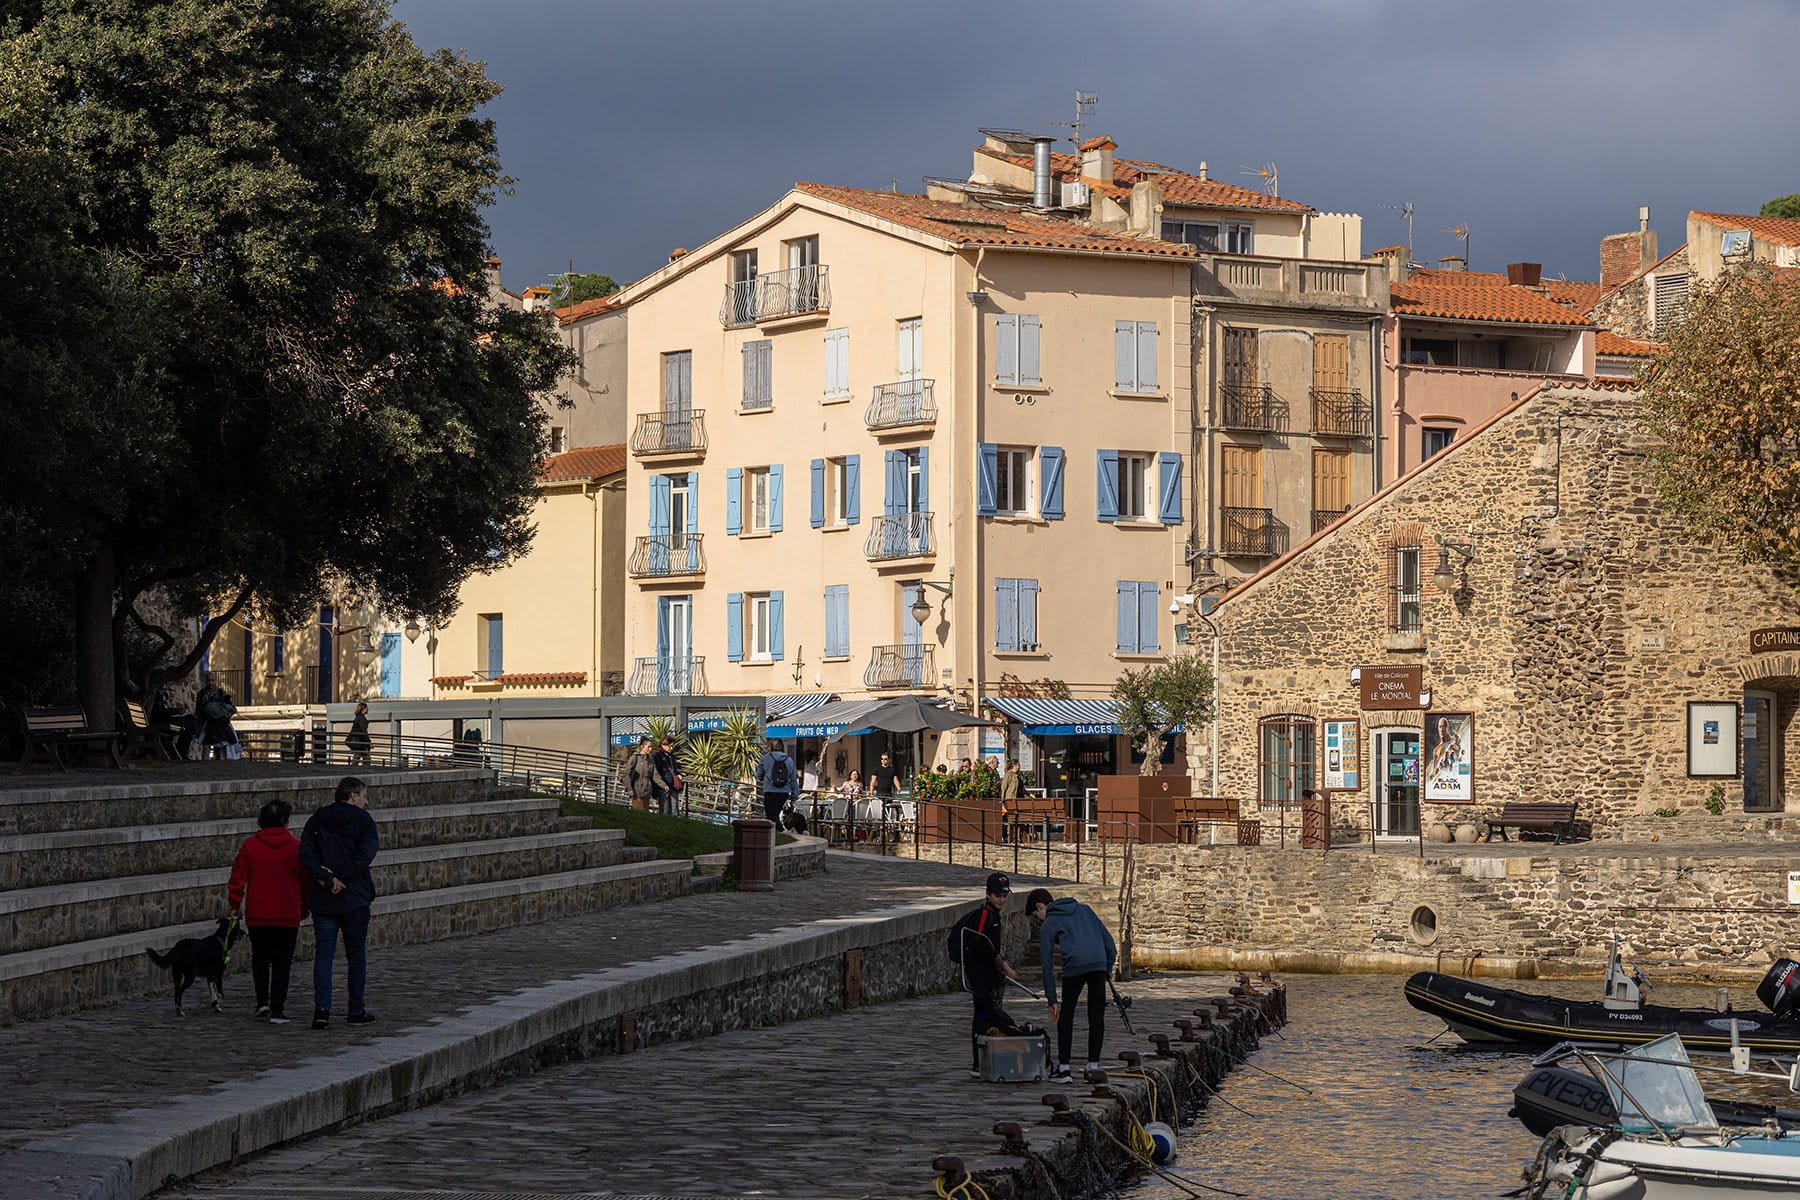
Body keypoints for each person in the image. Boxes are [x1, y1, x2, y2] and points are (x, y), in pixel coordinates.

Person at [299, 777, 380, 1029]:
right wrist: (341, 877)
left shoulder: (318, 819)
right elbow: (366, 855)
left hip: (324, 897)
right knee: (356, 956)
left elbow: (306, 854)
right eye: (364, 795)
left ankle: (322, 1010)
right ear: (352, 795)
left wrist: (327, 878)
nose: (366, 801)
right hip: (354, 897)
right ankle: (355, 1010)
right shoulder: (364, 821)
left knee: (324, 955)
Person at [228, 800, 310, 1024]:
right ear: (285, 820)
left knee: (260, 958)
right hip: (287, 913)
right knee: (283, 962)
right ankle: (277, 1008)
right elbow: (306, 882)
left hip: (259, 913)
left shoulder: (250, 846)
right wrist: (304, 907)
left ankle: (262, 1001)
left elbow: (237, 879)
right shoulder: (296, 847)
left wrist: (235, 904)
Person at [1026, 887, 1117, 1084]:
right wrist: (1108, 966)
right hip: (1098, 964)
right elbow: (1109, 942)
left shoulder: (1049, 923)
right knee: (1096, 1015)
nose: (1038, 920)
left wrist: (1052, 1000)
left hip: (1075, 966)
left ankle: (1064, 1069)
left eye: (1035, 915)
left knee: (1066, 1016)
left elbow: (1047, 965)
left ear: (1040, 906)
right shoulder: (1085, 909)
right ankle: (1093, 1067)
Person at [953, 872, 1022, 1080]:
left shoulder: (994, 915)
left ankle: (989, 1060)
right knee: (982, 1016)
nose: (1002, 899)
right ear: (988, 894)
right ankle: (978, 1062)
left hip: (989, 974)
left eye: (1004, 895)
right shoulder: (985, 915)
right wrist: (1002, 964)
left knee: (990, 1016)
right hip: (979, 974)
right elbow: (981, 943)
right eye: (998, 895)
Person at [194, 671, 241, 761]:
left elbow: (229, 706)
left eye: (212, 680)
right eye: (208, 680)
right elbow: (198, 709)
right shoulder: (201, 694)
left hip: (220, 723)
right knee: (205, 743)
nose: (210, 683)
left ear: (215, 681)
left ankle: (219, 762)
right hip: (207, 722)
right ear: (206, 681)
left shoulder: (221, 693)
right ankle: (204, 762)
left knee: (220, 743)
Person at [756, 740, 799, 824]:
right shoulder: (789, 760)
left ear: (771, 747)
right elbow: (793, 779)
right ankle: (777, 830)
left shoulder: (766, 758)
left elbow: (758, 775)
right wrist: (794, 795)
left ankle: (780, 829)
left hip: (769, 791)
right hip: (784, 792)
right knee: (775, 815)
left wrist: (763, 778)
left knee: (771, 816)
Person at [651, 735, 682, 816]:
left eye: (673, 746)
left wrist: (678, 774)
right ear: (663, 745)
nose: (672, 748)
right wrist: (657, 788)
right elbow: (655, 772)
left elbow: (675, 769)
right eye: (670, 746)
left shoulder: (672, 756)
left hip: (673, 785)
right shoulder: (657, 756)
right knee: (665, 809)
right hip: (663, 786)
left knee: (675, 810)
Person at [623, 737, 657, 811]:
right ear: (642, 746)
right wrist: (629, 789)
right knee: (638, 812)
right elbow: (625, 775)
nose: (650, 749)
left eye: (651, 747)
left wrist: (664, 786)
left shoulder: (651, 760)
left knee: (645, 813)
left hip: (647, 791)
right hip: (636, 791)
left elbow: (655, 775)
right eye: (648, 747)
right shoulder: (635, 758)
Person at [999, 758, 1024, 842]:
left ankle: (1016, 837)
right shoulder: (1008, 775)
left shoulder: (1017, 776)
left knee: (1016, 818)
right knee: (1008, 819)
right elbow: (1004, 787)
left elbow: (1022, 788)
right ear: (1015, 765)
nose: (1020, 767)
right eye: (1019, 765)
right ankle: (1008, 837)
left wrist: (1030, 795)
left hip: (1017, 801)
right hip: (1009, 800)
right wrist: (1002, 800)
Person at [346, 701, 372, 767]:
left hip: (357, 741)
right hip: (359, 741)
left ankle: (354, 768)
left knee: (358, 755)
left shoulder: (358, 717)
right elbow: (364, 731)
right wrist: (368, 741)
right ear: (363, 709)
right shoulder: (361, 718)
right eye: (367, 708)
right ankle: (363, 769)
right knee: (366, 756)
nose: (368, 709)